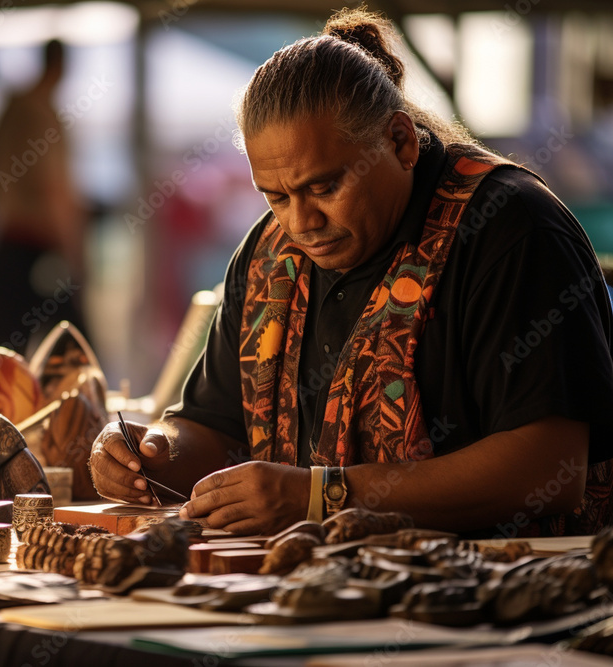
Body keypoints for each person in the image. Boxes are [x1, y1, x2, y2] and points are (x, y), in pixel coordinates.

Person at [89, 8, 613, 538]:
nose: (302, 223)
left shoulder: (511, 229)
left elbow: (550, 468)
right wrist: (152, 455)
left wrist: (322, 497)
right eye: (276, 197)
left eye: (324, 188)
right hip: (319, 595)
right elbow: (213, 428)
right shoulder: (268, 253)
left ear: (402, 142)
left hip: (511, 601)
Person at [0, 39, 88, 354]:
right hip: (37, 247)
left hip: (10, 242)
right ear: (61, 66)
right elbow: (50, 186)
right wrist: (72, 248)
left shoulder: (14, 108)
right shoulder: (38, 113)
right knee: (73, 352)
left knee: (2, 350)